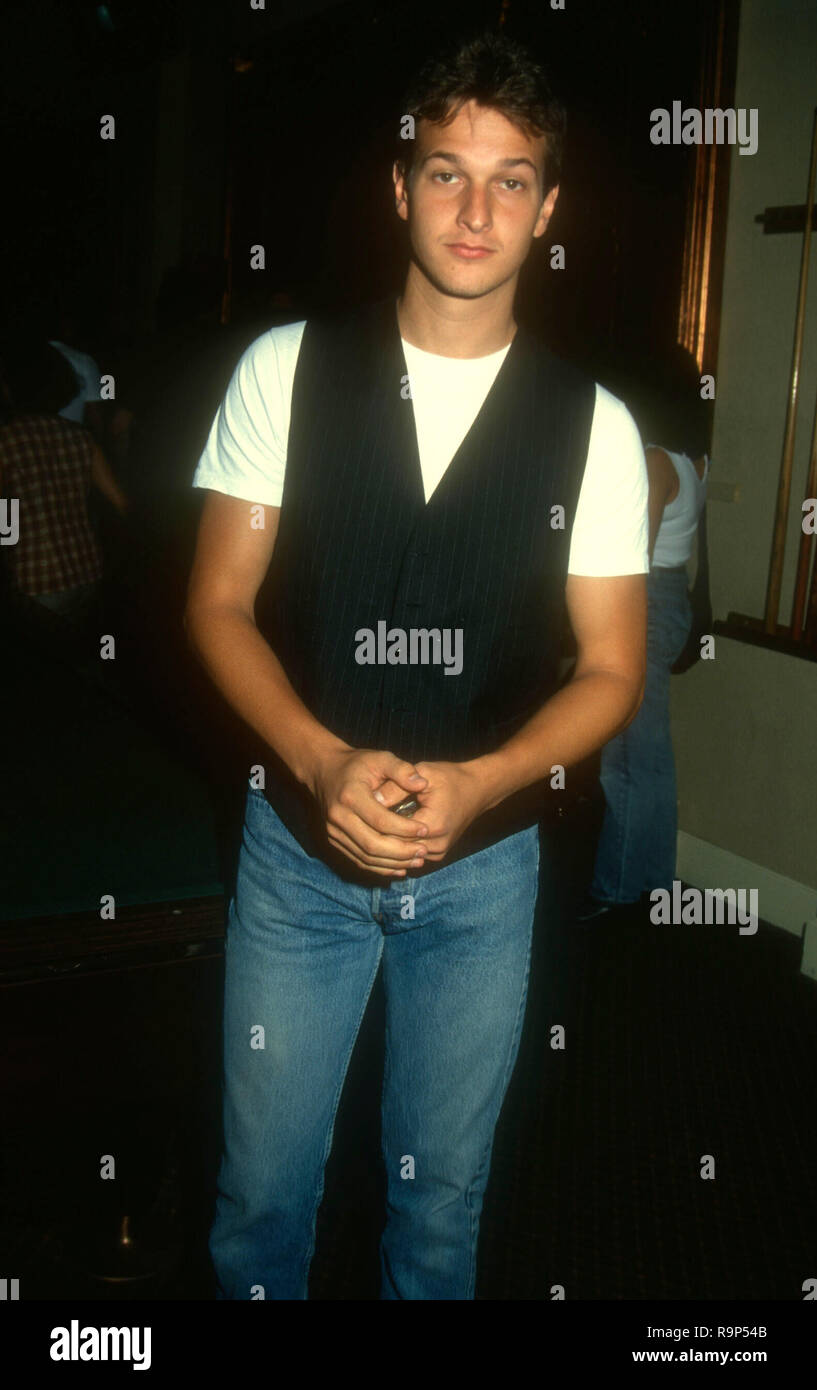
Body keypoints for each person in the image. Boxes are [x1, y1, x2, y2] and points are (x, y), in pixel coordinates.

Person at [185, 29, 649, 1300]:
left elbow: (611, 670)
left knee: (438, 1217)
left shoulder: (593, 425)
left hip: (483, 879)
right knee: (259, 1201)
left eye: (511, 180)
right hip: (295, 861)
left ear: (548, 207)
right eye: (447, 171)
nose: (475, 207)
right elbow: (217, 605)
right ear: (399, 187)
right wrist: (321, 757)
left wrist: (488, 778)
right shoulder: (284, 370)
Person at [578, 344, 711, 919]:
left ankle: (617, 888)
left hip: (647, 599)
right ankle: (649, 883)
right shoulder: (696, 460)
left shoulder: (655, 460)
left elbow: (636, 550)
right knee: (647, 755)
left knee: (625, 757)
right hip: (670, 597)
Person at [0, 340, 129, 661]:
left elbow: (6, 513)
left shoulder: (7, 439)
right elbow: (123, 503)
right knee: (78, 661)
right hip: (86, 569)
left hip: (34, 578)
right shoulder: (80, 437)